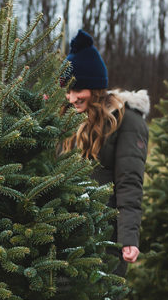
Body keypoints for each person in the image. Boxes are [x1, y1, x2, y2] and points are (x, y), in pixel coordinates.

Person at [62, 29, 150, 276]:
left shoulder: (126, 122)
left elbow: (129, 183)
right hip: (65, 237)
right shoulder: (65, 120)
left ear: (95, 88)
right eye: (67, 91)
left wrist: (129, 237)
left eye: (78, 90)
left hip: (105, 237)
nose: (72, 98)